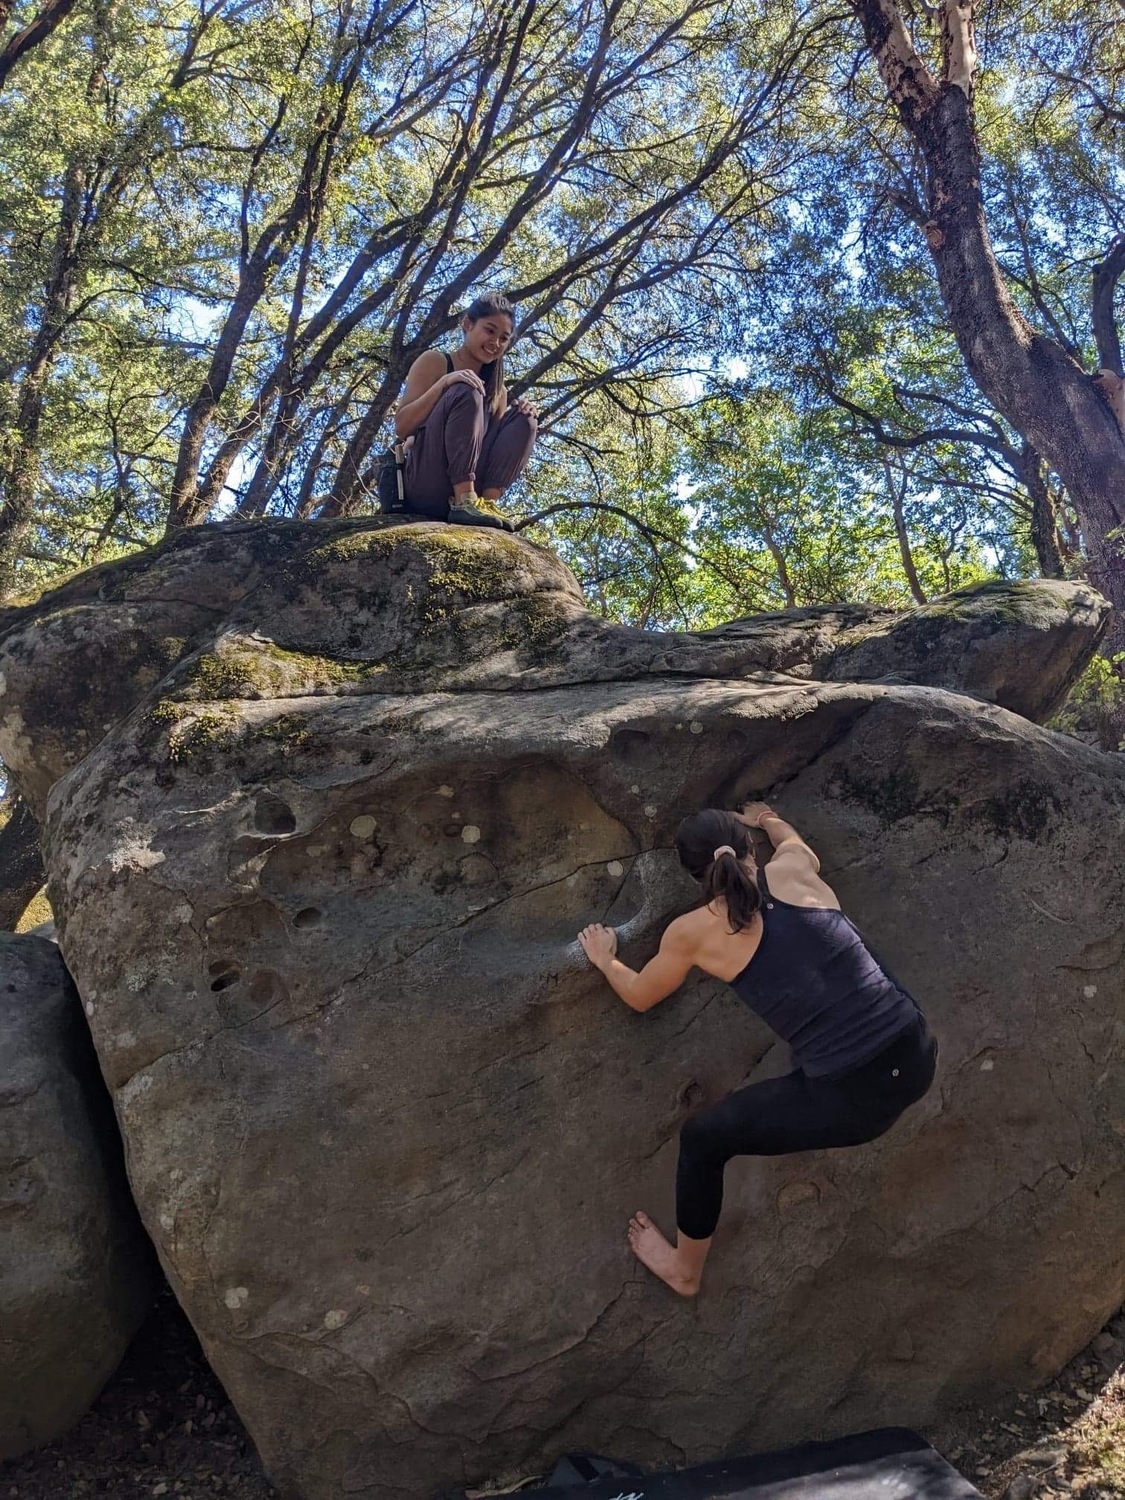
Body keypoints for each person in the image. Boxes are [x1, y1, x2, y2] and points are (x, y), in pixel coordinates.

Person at [577, 802, 937, 1297]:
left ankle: (685, 1272)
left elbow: (640, 995)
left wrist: (605, 961)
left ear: (695, 875)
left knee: (703, 1140)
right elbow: (794, 841)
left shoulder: (692, 932)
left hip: (856, 1106)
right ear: (750, 850)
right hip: (917, 1056)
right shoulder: (791, 868)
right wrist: (766, 818)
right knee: (857, 955)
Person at [393, 292, 537, 529]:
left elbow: (491, 447)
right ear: (467, 324)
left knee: (526, 419)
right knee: (465, 389)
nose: (495, 343)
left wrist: (523, 416)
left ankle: (486, 505)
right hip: (426, 482)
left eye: (504, 338)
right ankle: (464, 499)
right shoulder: (435, 361)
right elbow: (402, 427)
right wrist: (445, 384)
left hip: (475, 479)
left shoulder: (498, 390)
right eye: (489, 331)